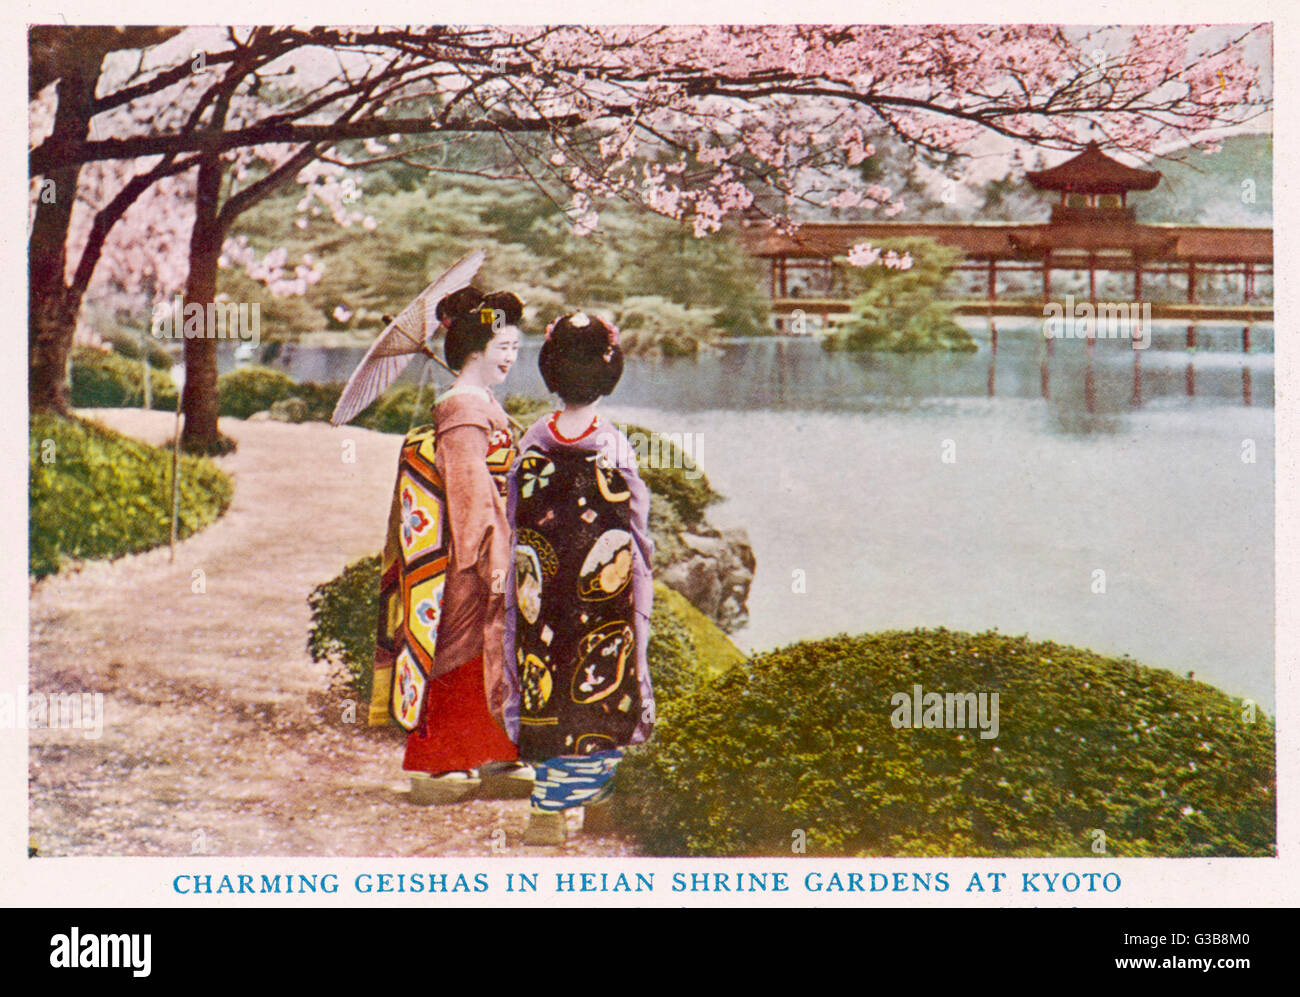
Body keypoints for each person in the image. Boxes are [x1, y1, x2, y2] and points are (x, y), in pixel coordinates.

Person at [368, 288, 533, 804]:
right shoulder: (462, 406)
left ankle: (491, 753)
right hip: (469, 552)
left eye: (515, 346)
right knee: (459, 649)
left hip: (486, 542)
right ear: (475, 349)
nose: (510, 355)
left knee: (493, 651)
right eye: (503, 345)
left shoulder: (474, 400)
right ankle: (434, 763)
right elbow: (468, 491)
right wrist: (490, 554)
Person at [504, 311, 655, 844]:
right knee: (603, 686)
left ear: (550, 370)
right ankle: (598, 801)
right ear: (609, 373)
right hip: (602, 594)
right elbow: (637, 522)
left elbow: (514, 515)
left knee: (545, 681)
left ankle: (546, 809)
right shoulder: (613, 444)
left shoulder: (533, 439)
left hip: (540, 593)